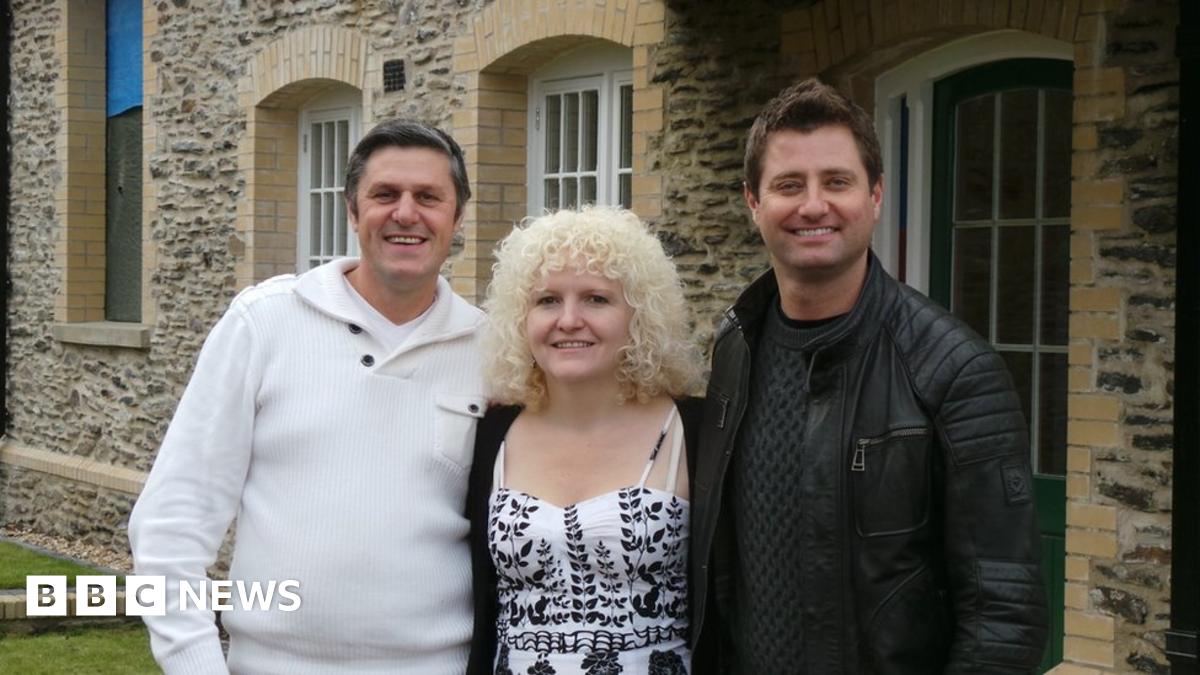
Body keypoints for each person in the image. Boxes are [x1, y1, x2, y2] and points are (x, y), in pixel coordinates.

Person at [690, 79, 1048, 673]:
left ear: (875, 195)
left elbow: (1003, 612)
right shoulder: (736, 347)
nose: (812, 205)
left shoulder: (954, 369)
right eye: (788, 185)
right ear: (753, 202)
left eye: (837, 181)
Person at [129, 120, 486, 674]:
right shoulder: (264, 322)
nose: (406, 213)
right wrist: (196, 664)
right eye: (384, 195)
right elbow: (172, 522)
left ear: (457, 217)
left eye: (429, 197)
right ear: (351, 210)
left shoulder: (490, 350)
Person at [466, 207, 704, 675]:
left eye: (597, 299)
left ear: (640, 314)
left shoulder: (695, 432)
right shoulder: (492, 435)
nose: (569, 320)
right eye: (547, 300)